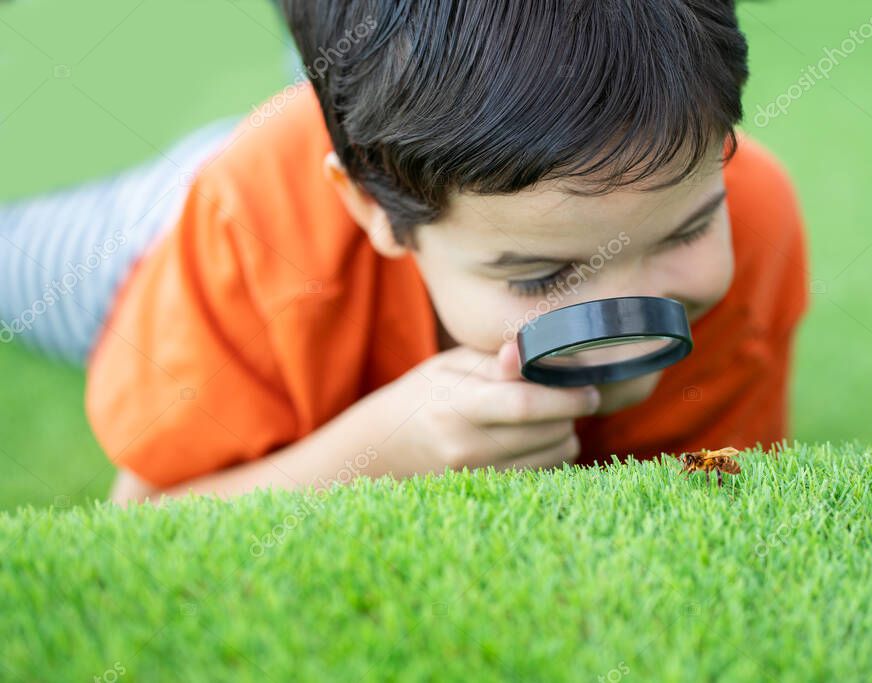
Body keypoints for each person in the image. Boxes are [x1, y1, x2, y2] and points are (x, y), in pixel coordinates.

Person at [29, 1, 812, 502]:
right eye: (540, 275)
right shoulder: (253, 227)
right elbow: (142, 516)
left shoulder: (757, 212)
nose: (620, 316)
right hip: (156, 228)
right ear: (368, 206)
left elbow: (713, 495)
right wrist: (372, 453)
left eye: (685, 231)